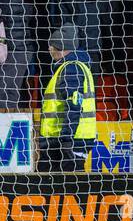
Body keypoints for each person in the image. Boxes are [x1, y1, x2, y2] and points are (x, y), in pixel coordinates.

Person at [38, 29, 96, 171]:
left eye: (51, 45)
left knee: (67, 186)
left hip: (69, 140)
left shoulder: (71, 68)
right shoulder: (73, 66)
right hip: (64, 139)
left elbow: (74, 105)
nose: (49, 49)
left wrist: (67, 139)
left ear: (60, 47)